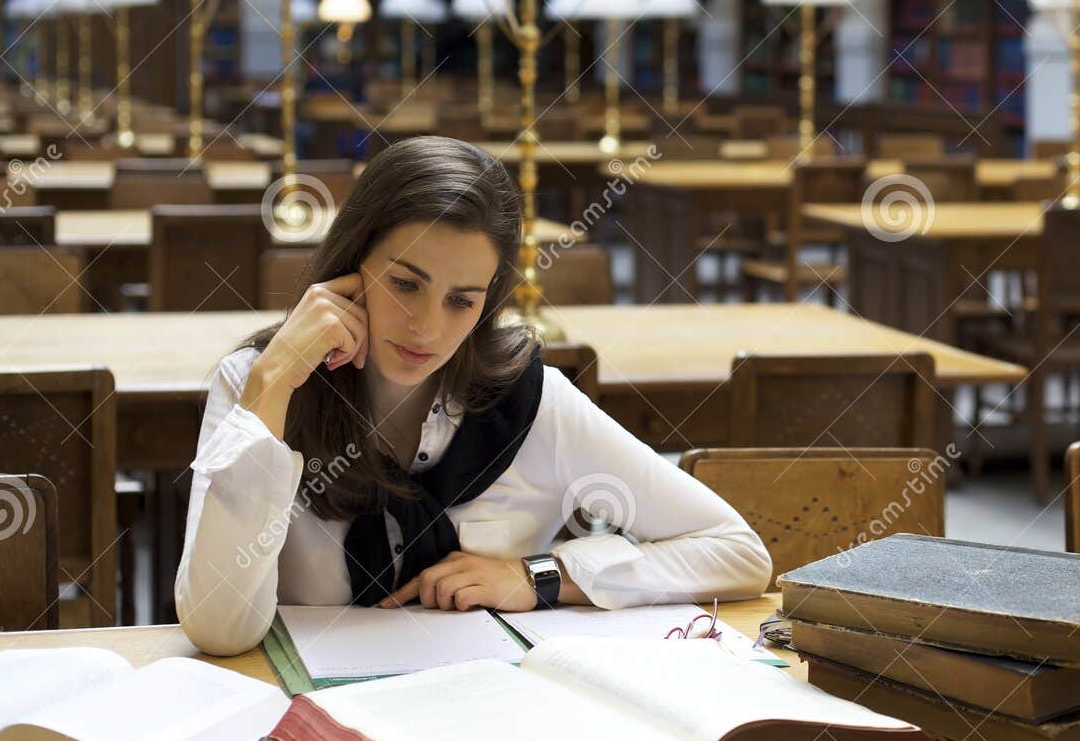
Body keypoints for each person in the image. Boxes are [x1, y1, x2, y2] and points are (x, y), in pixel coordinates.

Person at [175, 136, 772, 656]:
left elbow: (737, 552)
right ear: (351, 264)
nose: (427, 329)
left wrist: (542, 577)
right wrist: (274, 383)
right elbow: (219, 628)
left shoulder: (530, 400)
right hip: (302, 717)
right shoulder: (257, 385)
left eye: (462, 300)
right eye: (405, 284)